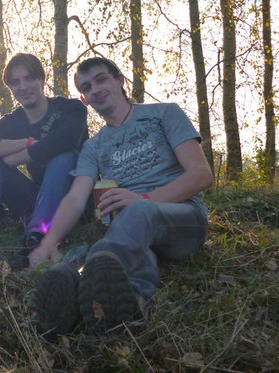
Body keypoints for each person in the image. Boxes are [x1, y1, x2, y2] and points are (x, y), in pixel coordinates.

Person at [28, 57, 213, 336]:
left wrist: (144, 199)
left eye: (101, 79)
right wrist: (47, 242)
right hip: (134, 232)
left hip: (183, 219)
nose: (95, 89)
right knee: (129, 250)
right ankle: (128, 307)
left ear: (119, 79)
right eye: (87, 87)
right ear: (85, 99)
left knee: (136, 214)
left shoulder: (164, 113)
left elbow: (201, 175)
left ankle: (79, 283)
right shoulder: (94, 146)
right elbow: (75, 198)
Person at [0, 53, 88, 270]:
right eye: (15, 82)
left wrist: (21, 156)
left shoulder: (70, 108)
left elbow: (66, 140)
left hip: (75, 200)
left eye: (29, 78)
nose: (23, 86)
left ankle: (37, 238)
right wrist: (26, 142)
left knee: (63, 156)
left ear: (42, 79)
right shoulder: (13, 122)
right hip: (38, 200)